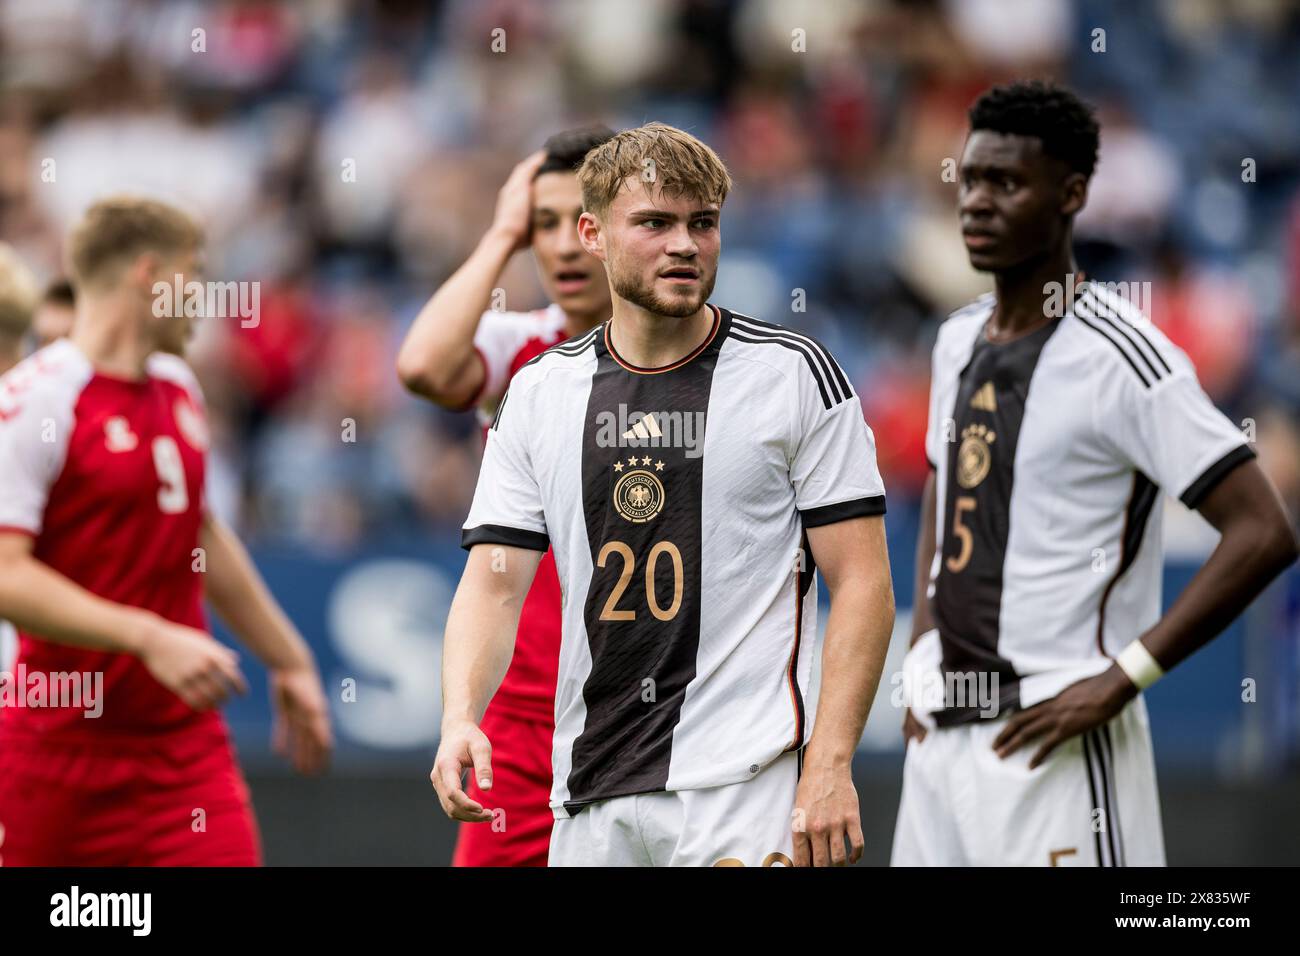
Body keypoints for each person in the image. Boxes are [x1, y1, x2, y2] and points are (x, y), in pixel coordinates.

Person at [430, 123, 896, 867]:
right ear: (593, 233)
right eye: (655, 222)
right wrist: (459, 717)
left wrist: (830, 762)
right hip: (588, 791)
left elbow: (864, 582)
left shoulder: (795, 376)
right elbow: (492, 587)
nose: (684, 244)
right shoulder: (541, 392)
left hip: (744, 786)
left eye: (702, 224)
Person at [893, 81, 1299, 866]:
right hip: (940, 745)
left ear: (1072, 194)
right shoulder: (954, 341)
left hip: (1056, 742)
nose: (975, 201)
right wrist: (922, 651)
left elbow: (1264, 529)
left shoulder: (1124, 359)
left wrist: (1124, 677)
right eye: (970, 179)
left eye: (1005, 183)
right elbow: (949, 486)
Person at [0, 196, 333, 866]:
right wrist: (147, 636)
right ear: (151, 274)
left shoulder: (179, 387)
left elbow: (200, 537)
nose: (205, 300)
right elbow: (6, 574)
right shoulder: (38, 398)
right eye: (197, 276)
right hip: (54, 754)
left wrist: (289, 658)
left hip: (182, 753)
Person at [398, 125, 615, 867]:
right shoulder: (519, 350)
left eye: (580, 220)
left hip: (649, 714)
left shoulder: (707, 367)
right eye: (542, 225)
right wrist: (498, 235)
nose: (559, 247)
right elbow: (423, 366)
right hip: (523, 727)